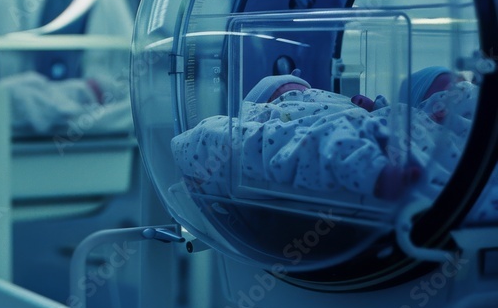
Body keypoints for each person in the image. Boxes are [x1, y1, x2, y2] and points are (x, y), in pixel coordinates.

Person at [171, 67, 495, 220]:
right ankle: (379, 173)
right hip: (363, 135)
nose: (314, 91)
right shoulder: (270, 120)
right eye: (292, 91)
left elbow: (390, 116)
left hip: (399, 128)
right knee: (340, 136)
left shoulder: (362, 112)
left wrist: (376, 109)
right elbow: (215, 139)